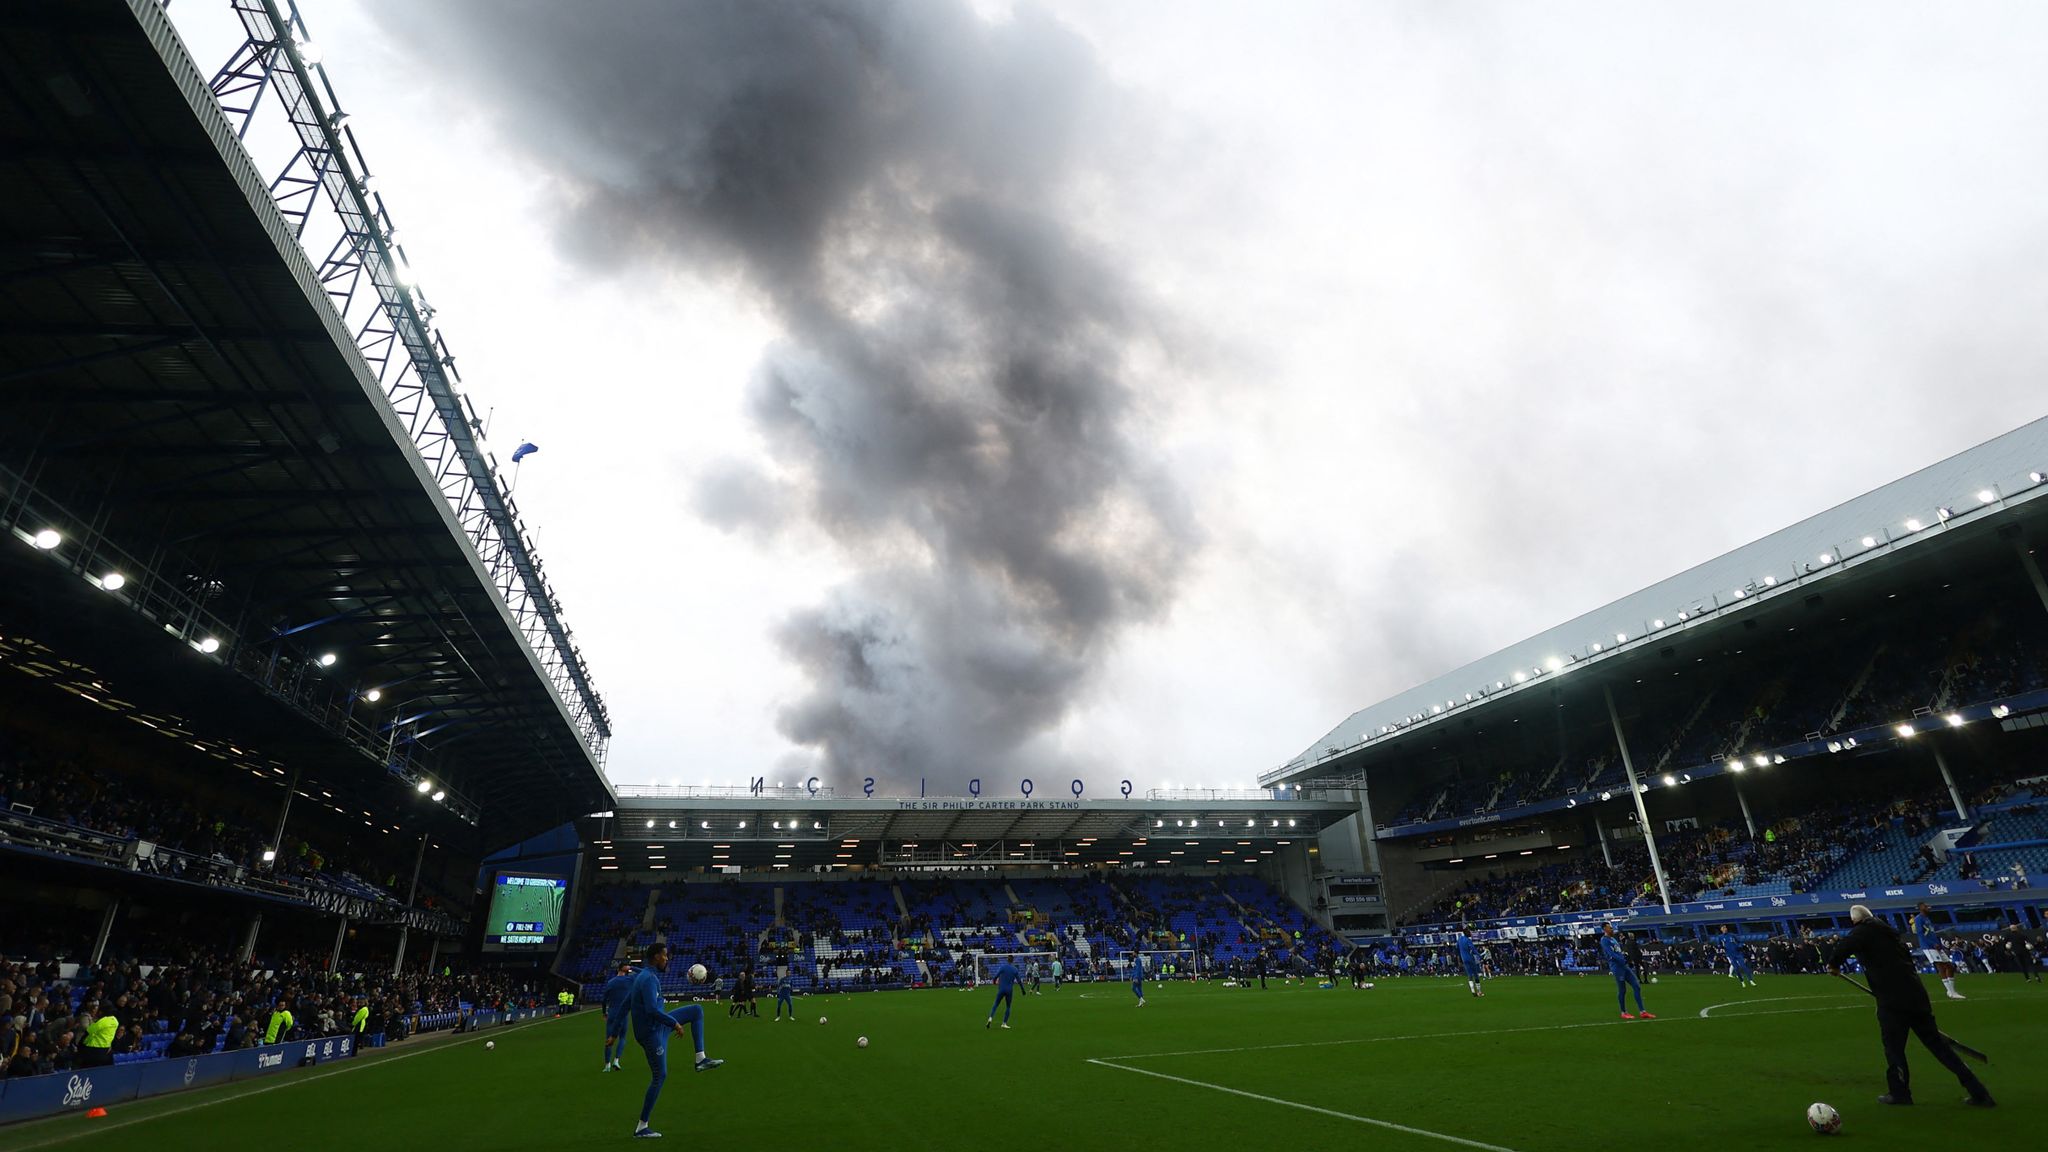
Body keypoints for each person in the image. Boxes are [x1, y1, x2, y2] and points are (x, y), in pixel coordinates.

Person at [1828, 904, 1993, 1108]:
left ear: (1856, 920)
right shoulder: (1890, 933)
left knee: (1894, 1049)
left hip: (1892, 1000)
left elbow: (1844, 947)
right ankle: (1979, 1091)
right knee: (1940, 1047)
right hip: (1915, 995)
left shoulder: (1862, 931)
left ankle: (1899, 1093)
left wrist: (1834, 964)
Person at [626, 943, 723, 1140]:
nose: (667, 959)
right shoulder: (648, 980)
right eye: (664, 956)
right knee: (659, 1076)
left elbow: (644, 981)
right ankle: (641, 1127)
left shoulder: (647, 975)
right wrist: (675, 1024)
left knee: (696, 1010)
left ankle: (700, 1059)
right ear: (655, 957)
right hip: (652, 1034)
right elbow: (652, 1010)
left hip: (658, 1026)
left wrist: (631, 968)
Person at [1599, 925, 1653, 1020]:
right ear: (1605, 929)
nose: (1611, 929)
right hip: (1617, 967)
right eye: (1609, 928)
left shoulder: (1613, 939)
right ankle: (1623, 1012)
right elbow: (1611, 954)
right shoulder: (1604, 940)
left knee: (1636, 986)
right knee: (1622, 990)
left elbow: (1618, 952)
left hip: (1624, 966)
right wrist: (1622, 960)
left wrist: (1625, 956)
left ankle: (1642, 1011)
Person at [1910, 904, 1963, 1000]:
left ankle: (1950, 991)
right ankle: (1952, 992)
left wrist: (1937, 943)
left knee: (1950, 966)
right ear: (1920, 908)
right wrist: (1932, 943)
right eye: (1925, 906)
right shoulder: (1918, 919)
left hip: (1936, 945)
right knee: (1941, 967)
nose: (1928, 907)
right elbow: (1921, 934)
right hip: (1928, 946)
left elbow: (1931, 933)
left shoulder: (1927, 919)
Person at [601, 961, 636, 1071]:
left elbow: (603, 1000)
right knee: (622, 1037)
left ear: (618, 969)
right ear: (626, 970)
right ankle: (616, 1060)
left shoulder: (611, 982)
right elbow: (644, 973)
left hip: (612, 1012)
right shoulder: (629, 980)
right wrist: (632, 968)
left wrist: (604, 1013)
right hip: (623, 1012)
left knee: (608, 1038)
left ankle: (607, 1065)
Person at [984, 958, 1022, 1029]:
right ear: (1012, 960)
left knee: (996, 1004)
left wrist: (994, 982)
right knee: (1008, 1006)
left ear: (1007, 960)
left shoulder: (1003, 967)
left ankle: (990, 1018)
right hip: (1009, 991)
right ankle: (1004, 1023)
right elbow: (1019, 981)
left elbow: (995, 976)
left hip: (1001, 989)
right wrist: (1022, 990)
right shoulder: (1014, 969)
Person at [1454, 932, 1484, 998]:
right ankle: (1479, 992)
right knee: (1476, 974)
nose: (1470, 933)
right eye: (1469, 932)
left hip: (1464, 959)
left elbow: (1456, 947)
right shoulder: (1468, 940)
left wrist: (1459, 955)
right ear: (1467, 933)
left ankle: (1473, 991)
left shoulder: (1459, 939)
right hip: (1470, 958)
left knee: (1469, 975)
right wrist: (1479, 956)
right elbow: (1473, 949)